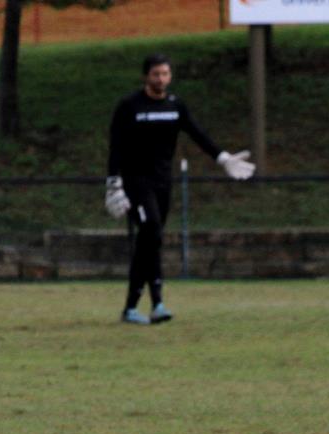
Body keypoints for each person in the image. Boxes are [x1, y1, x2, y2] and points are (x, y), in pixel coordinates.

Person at [104, 54, 255, 324]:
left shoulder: (175, 106)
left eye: (164, 74)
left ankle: (139, 307)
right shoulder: (129, 106)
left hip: (163, 182)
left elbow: (198, 134)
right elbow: (116, 146)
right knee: (150, 230)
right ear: (146, 77)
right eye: (155, 75)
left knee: (151, 240)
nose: (160, 79)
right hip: (136, 182)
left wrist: (223, 159)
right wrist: (113, 183)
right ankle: (153, 302)